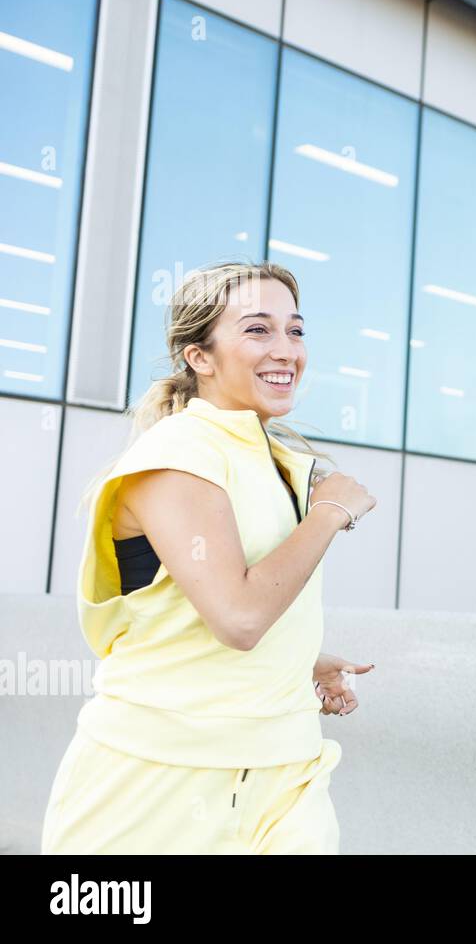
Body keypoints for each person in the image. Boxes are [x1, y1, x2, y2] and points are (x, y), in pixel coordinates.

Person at [42, 261, 377, 854]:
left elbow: (201, 607)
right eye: (257, 330)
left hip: (285, 772)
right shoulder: (177, 453)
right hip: (158, 783)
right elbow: (239, 617)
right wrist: (330, 513)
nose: (286, 350)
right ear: (200, 357)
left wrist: (300, 657)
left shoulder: (272, 458)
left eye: (295, 331)